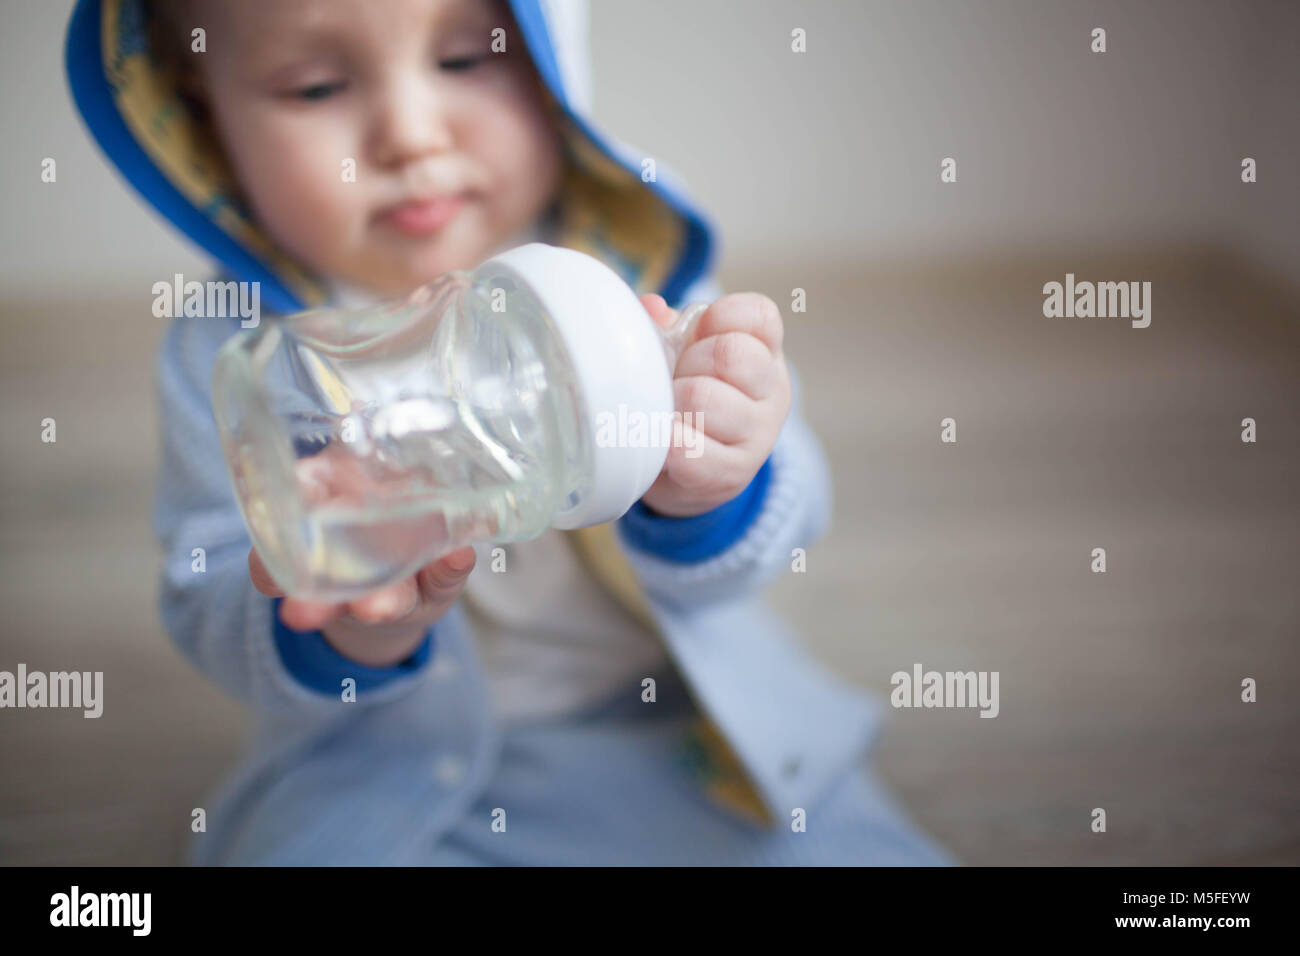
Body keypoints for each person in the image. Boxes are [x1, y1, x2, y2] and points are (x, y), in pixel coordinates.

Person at [66, 0, 954, 865]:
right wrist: (352, 629)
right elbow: (206, 589)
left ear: (549, 62)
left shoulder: (637, 270)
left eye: (463, 59)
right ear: (203, 120)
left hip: (679, 721)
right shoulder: (233, 346)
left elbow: (788, 520)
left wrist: (706, 488)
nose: (411, 136)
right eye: (316, 86)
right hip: (390, 760)